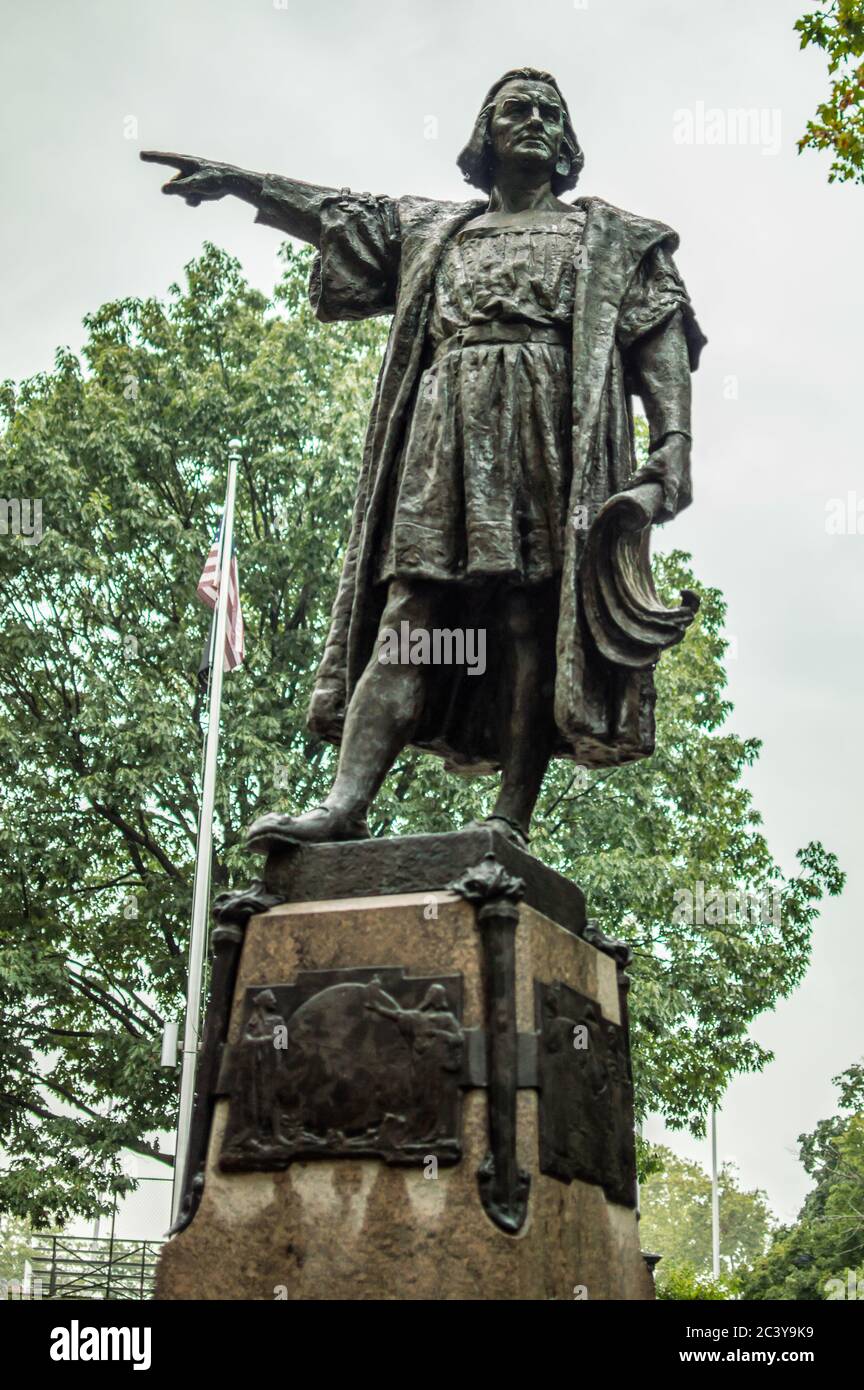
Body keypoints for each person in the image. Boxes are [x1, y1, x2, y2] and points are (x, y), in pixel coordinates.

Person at [142, 67, 705, 851]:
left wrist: (670, 452)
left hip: (551, 433)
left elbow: (659, 339)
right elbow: (342, 215)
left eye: (550, 111)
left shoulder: (608, 238)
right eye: (516, 109)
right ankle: (345, 803)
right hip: (445, 435)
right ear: (485, 132)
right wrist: (243, 185)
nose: (534, 120)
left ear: (568, 140)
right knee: (410, 615)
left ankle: (510, 815)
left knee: (527, 619)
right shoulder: (438, 231)